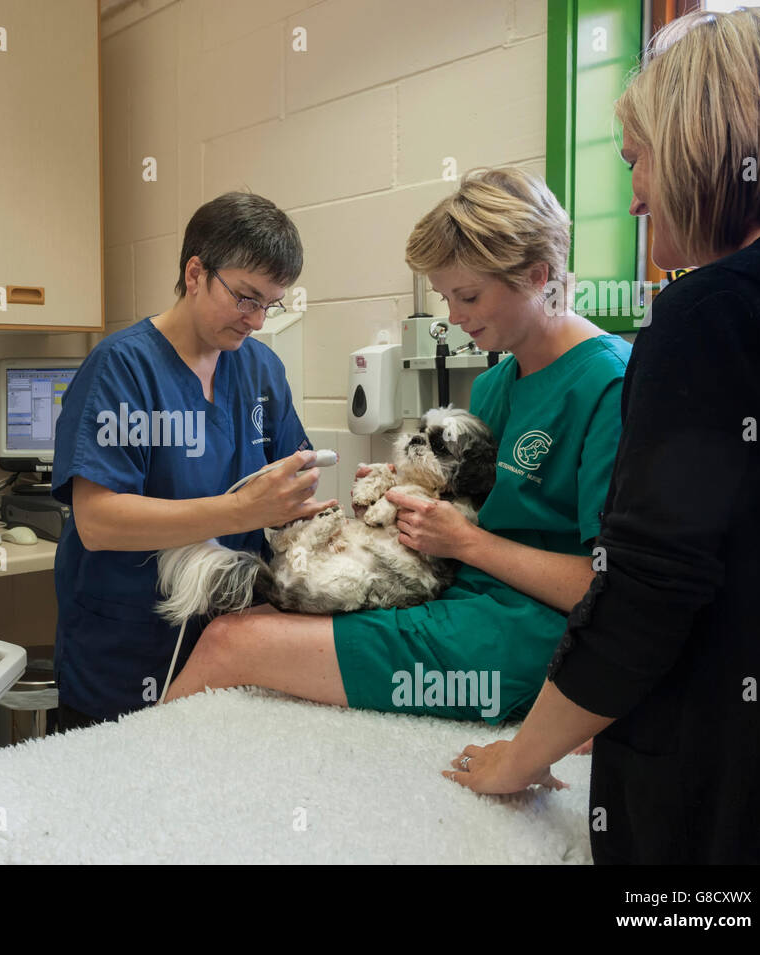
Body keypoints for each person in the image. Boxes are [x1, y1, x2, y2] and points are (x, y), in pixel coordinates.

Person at [445, 7, 760, 864]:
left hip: (726, 803)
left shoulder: (710, 314)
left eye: (636, 162)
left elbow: (644, 590)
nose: (635, 196)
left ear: (699, 147)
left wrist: (521, 757)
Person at [161, 167, 631, 726]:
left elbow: (616, 591)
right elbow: (471, 504)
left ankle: (127, 792)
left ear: (539, 275)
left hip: (525, 635)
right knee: (246, 620)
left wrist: (466, 544)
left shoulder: (610, 386)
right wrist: (412, 496)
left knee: (230, 645)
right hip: (458, 599)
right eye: (445, 298)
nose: (454, 318)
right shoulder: (495, 386)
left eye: (469, 296)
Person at [49, 192, 333, 730]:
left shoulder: (260, 371)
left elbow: (287, 484)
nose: (256, 320)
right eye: (246, 298)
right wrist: (243, 511)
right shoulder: (120, 369)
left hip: (230, 643)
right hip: (128, 649)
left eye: (271, 305)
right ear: (196, 272)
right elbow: (98, 521)